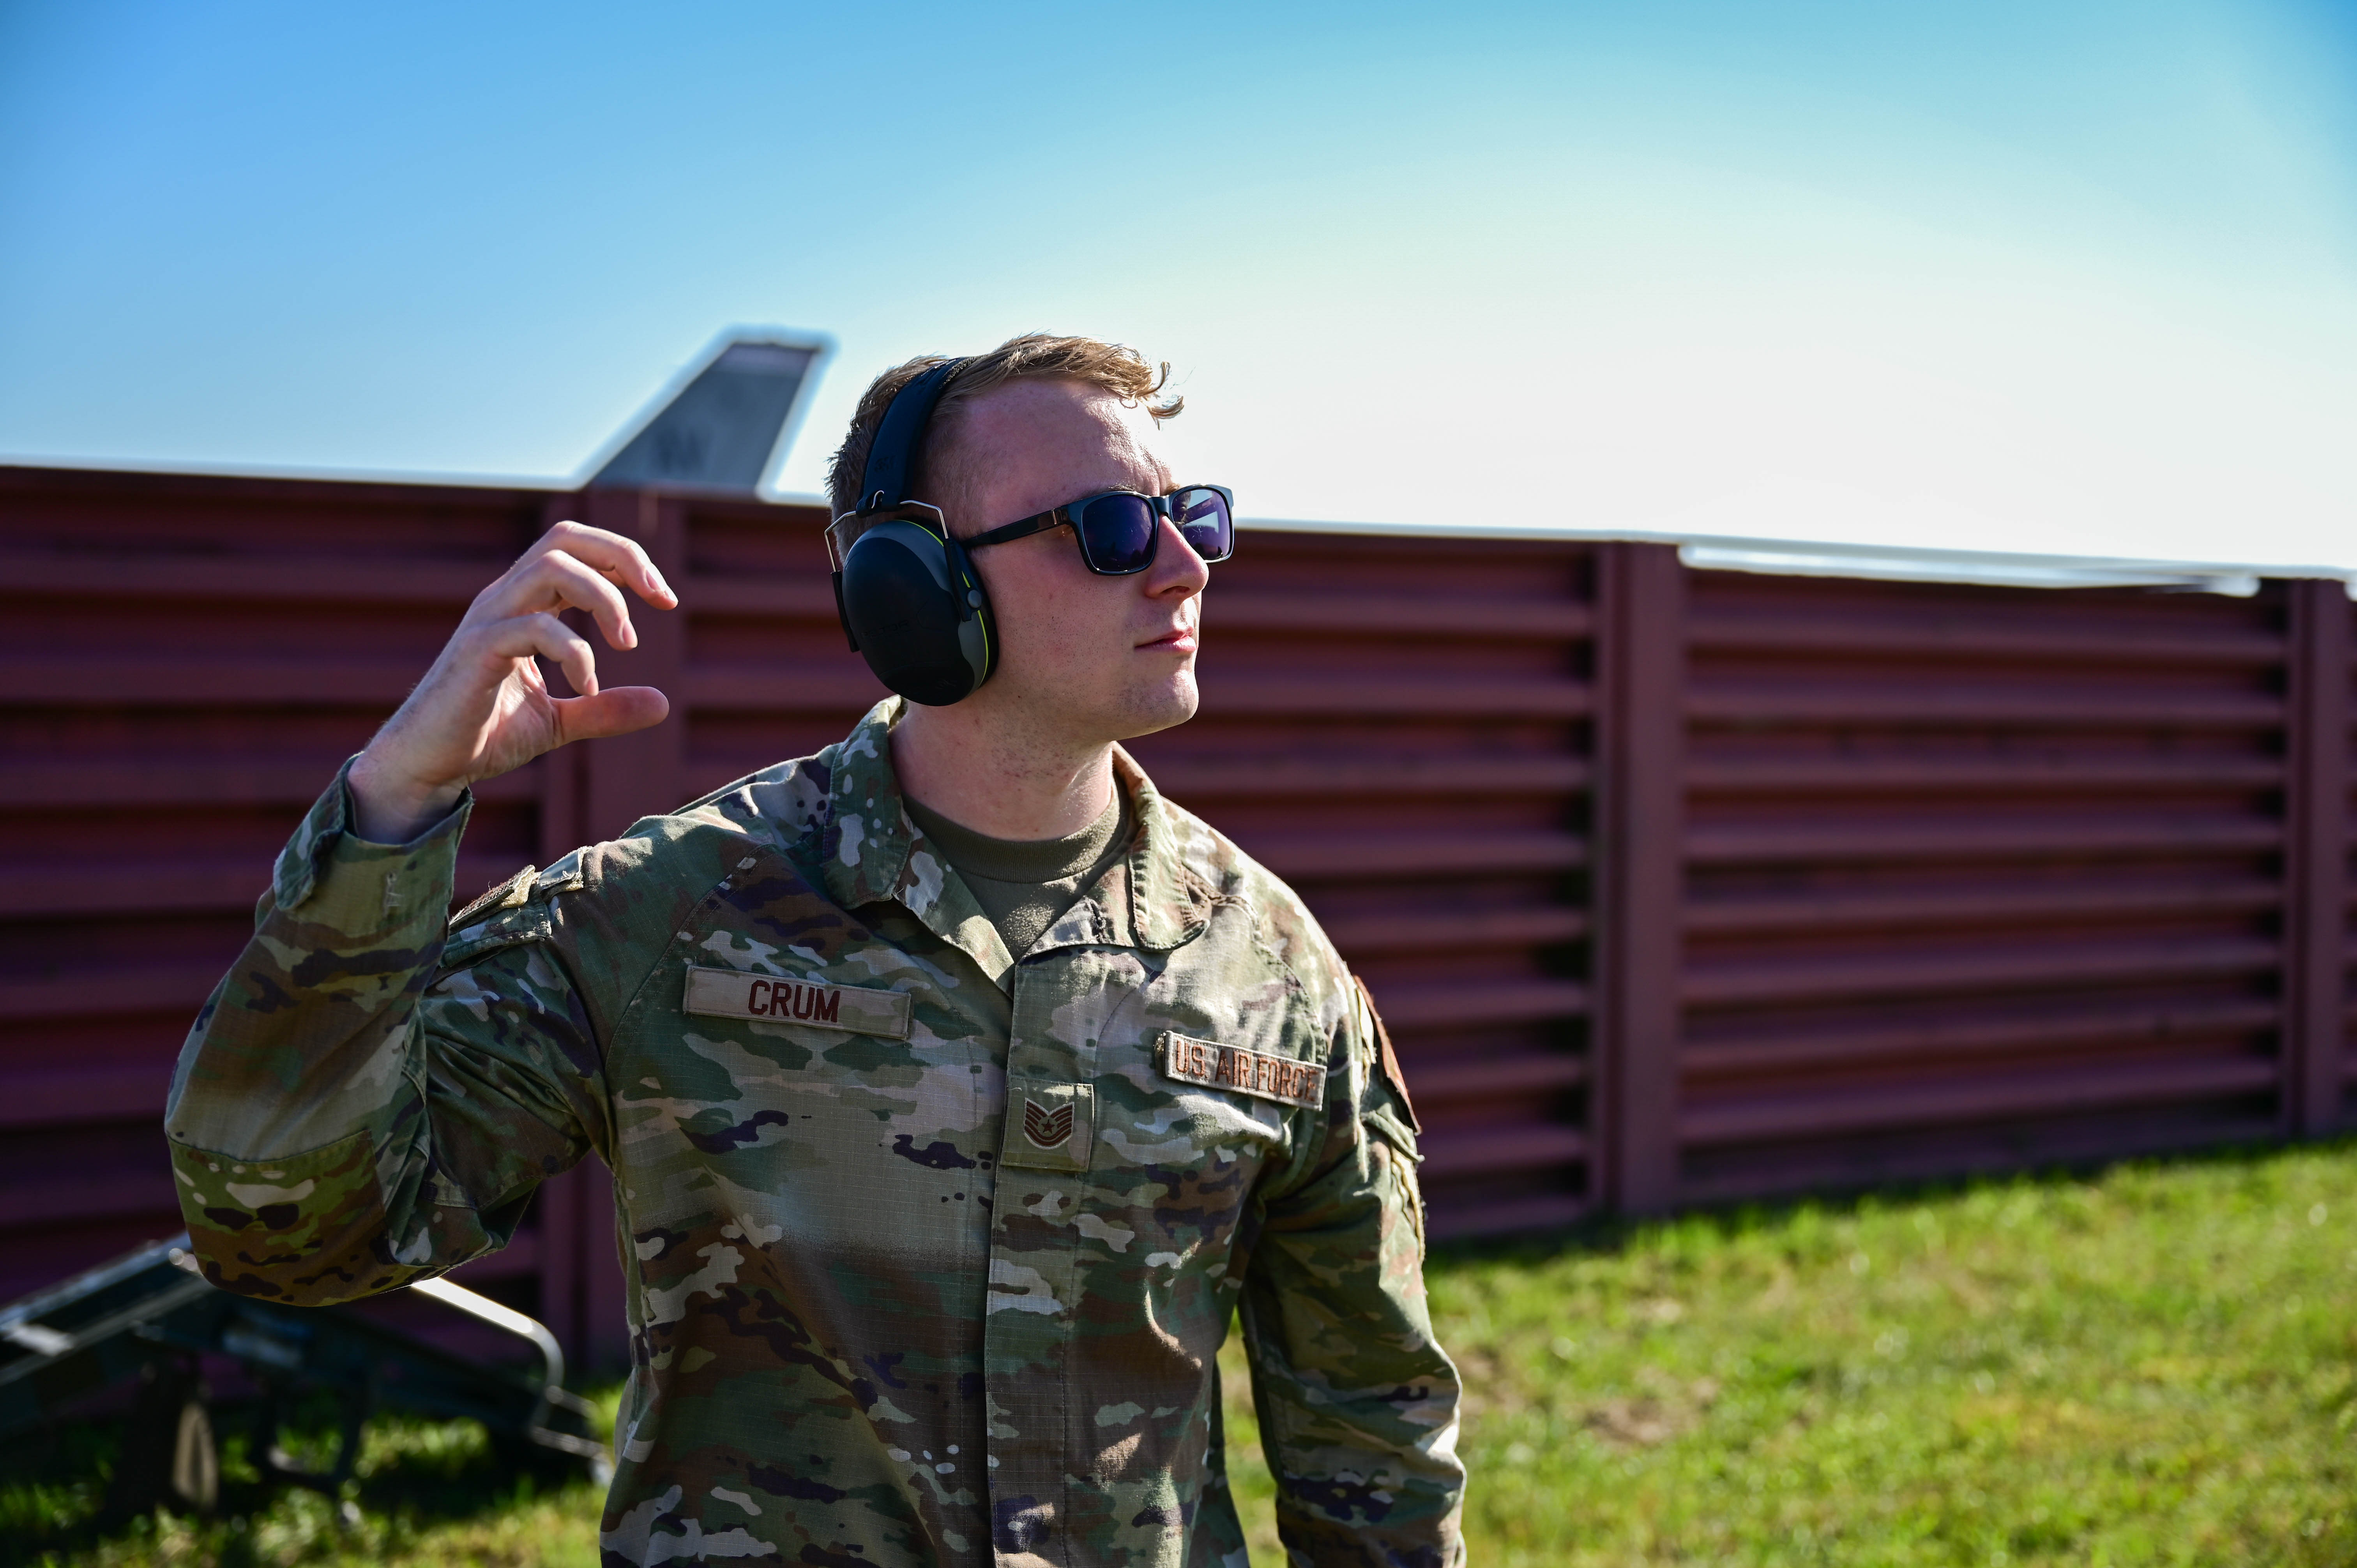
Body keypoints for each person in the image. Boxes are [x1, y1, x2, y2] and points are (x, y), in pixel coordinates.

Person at [165, 333, 1465, 1566]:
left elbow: (1375, 1432)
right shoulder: (666, 916)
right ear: (917, 586)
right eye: (1115, 529)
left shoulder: (1275, 969)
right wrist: (392, 810)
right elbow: (285, 1233)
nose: (1184, 569)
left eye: (1198, 518)